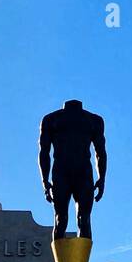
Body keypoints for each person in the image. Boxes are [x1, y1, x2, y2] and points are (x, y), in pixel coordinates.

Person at [37, 100, 107, 240]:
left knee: (83, 220)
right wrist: (45, 181)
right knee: (61, 220)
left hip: (83, 174)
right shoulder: (51, 120)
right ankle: (60, 261)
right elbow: (44, 152)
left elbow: (100, 152)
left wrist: (101, 178)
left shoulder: (94, 121)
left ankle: (80, 261)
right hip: (62, 174)